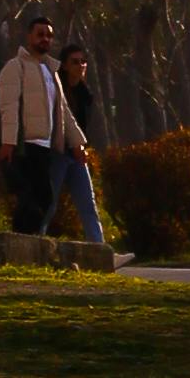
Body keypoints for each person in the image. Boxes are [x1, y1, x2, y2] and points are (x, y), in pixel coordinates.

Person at [0, 7, 87, 240]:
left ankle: (21, 242)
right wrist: (8, 142)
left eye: (48, 35)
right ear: (29, 37)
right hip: (25, 146)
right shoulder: (16, 68)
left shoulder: (51, 70)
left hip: (46, 145)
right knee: (37, 197)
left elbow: (63, 111)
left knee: (41, 198)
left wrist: (77, 143)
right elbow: (9, 107)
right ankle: (22, 242)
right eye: (40, 34)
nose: (45, 39)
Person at [51, 45, 111, 253]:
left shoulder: (85, 94)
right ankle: (33, 245)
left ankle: (100, 251)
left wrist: (82, 147)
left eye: (83, 61)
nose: (80, 66)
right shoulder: (56, 90)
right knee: (49, 204)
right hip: (58, 153)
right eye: (75, 62)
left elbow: (83, 126)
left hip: (76, 155)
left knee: (88, 204)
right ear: (65, 66)